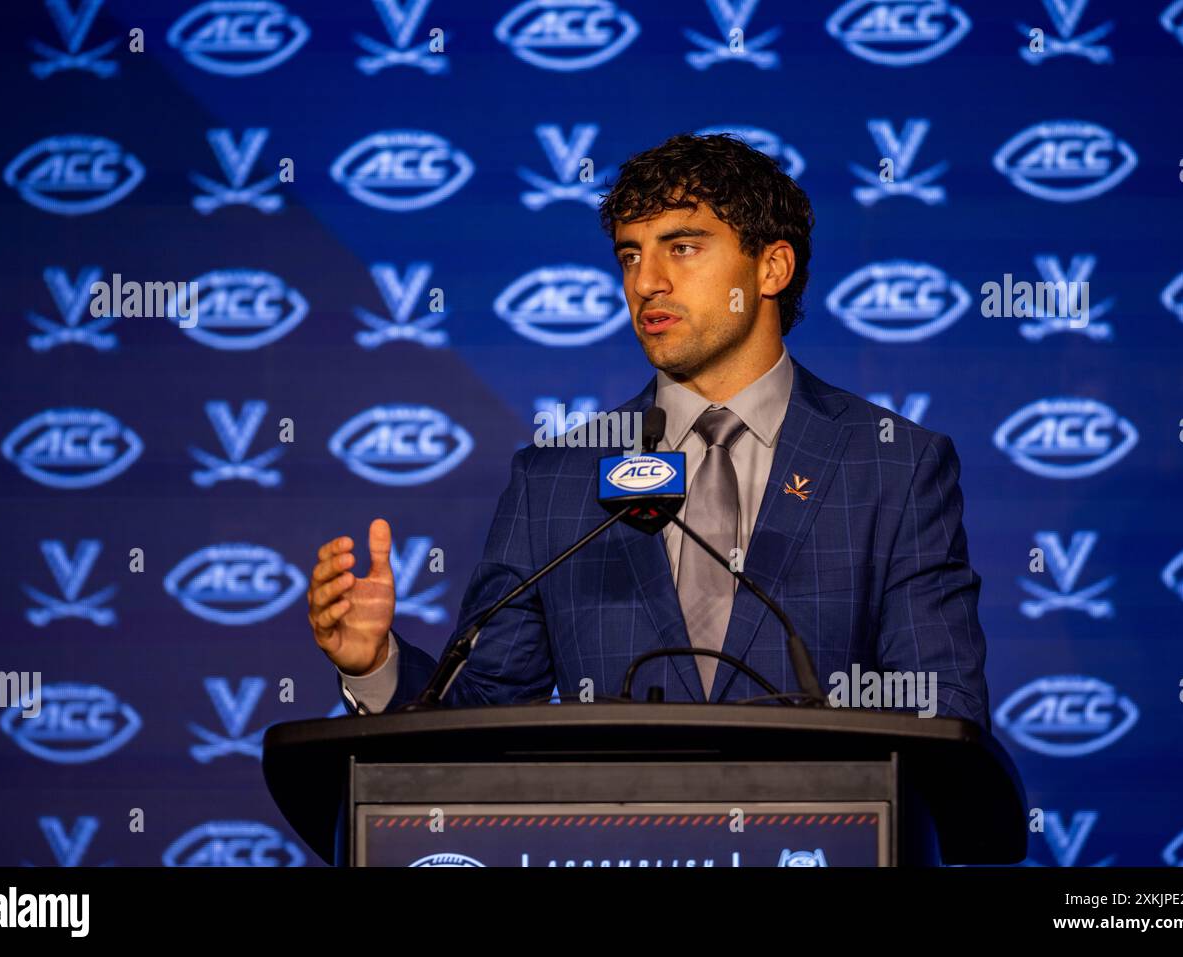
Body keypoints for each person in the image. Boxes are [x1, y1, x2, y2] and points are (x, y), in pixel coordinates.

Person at [307, 132, 990, 728]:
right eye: (630, 256)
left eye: (682, 247)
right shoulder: (557, 479)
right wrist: (378, 664)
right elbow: (482, 715)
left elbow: (939, 708)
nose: (647, 282)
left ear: (771, 268)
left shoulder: (892, 467)